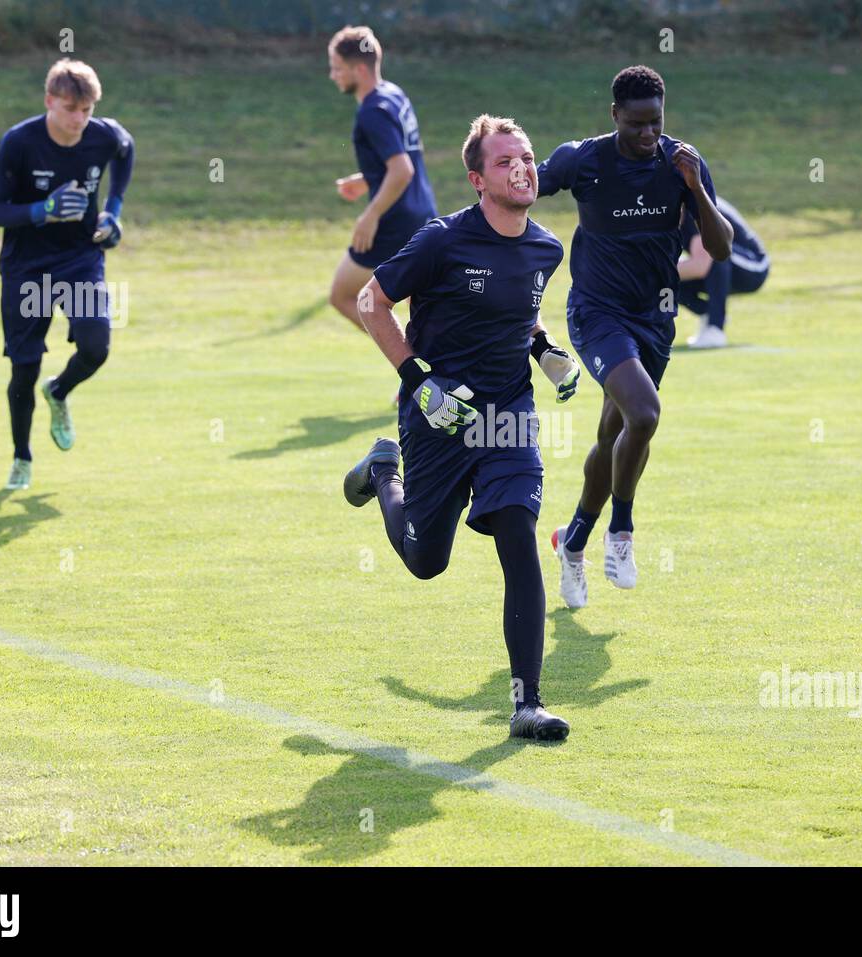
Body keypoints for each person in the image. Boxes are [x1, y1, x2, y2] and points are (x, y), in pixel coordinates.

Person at [342, 115, 580, 740]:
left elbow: (517, 311)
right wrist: (419, 381)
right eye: (505, 162)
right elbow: (371, 301)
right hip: (437, 423)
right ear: (478, 180)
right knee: (426, 560)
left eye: (526, 158)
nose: (521, 169)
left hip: (507, 416)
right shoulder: (442, 241)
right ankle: (383, 471)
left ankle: (527, 703)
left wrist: (546, 349)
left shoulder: (547, 248)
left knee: (518, 538)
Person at [537, 65, 733, 608]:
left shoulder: (681, 163)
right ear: (615, 116)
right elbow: (525, 189)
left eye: (656, 123)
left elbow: (720, 249)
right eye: (637, 124)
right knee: (644, 414)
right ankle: (620, 531)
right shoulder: (585, 159)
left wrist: (695, 188)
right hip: (597, 314)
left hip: (654, 320)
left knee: (615, 434)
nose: (648, 135)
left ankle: (571, 542)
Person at [0, 58, 133, 490]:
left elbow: (126, 150)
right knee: (24, 369)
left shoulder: (103, 136)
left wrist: (114, 211)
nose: (80, 120)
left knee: (96, 346)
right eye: (70, 109)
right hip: (26, 269)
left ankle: (60, 390)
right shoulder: (19, 143)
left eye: (87, 110)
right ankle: (21, 458)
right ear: (50, 101)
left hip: (80, 260)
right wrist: (42, 211)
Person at [326, 25, 437, 332]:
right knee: (421, 305)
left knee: (344, 295)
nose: (333, 75)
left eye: (337, 68)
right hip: (421, 214)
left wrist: (370, 215)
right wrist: (368, 180)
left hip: (393, 223)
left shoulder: (372, 111)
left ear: (359, 69)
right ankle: (426, 360)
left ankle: (413, 361)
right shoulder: (394, 94)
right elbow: (406, 157)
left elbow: (402, 169)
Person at [677, 196, 770, 349]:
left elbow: (700, 265)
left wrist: (654, 272)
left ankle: (715, 327)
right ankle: (708, 313)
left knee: (716, 251)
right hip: (719, 267)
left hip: (753, 267)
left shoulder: (698, 206)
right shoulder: (669, 217)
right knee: (667, 279)